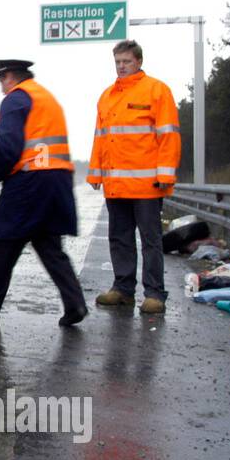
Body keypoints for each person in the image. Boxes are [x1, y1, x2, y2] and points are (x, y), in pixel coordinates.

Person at [0, 59, 87, 326]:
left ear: (10, 76)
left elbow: (9, 146)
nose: (2, 88)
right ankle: (75, 304)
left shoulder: (16, 99)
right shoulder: (44, 97)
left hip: (30, 181)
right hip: (56, 180)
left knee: (1, 242)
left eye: (2, 80)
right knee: (49, 246)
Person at [87, 39, 181, 314]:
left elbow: (169, 135)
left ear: (139, 61)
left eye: (126, 61)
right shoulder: (107, 96)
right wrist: (95, 173)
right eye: (117, 62)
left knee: (151, 241)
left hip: (147, 185)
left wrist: (166, 174)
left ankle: (154, 294)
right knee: (119, 238)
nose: (121, 67)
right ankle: (123, 290)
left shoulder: (157, 90)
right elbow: (101, 138)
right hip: (116, 184)